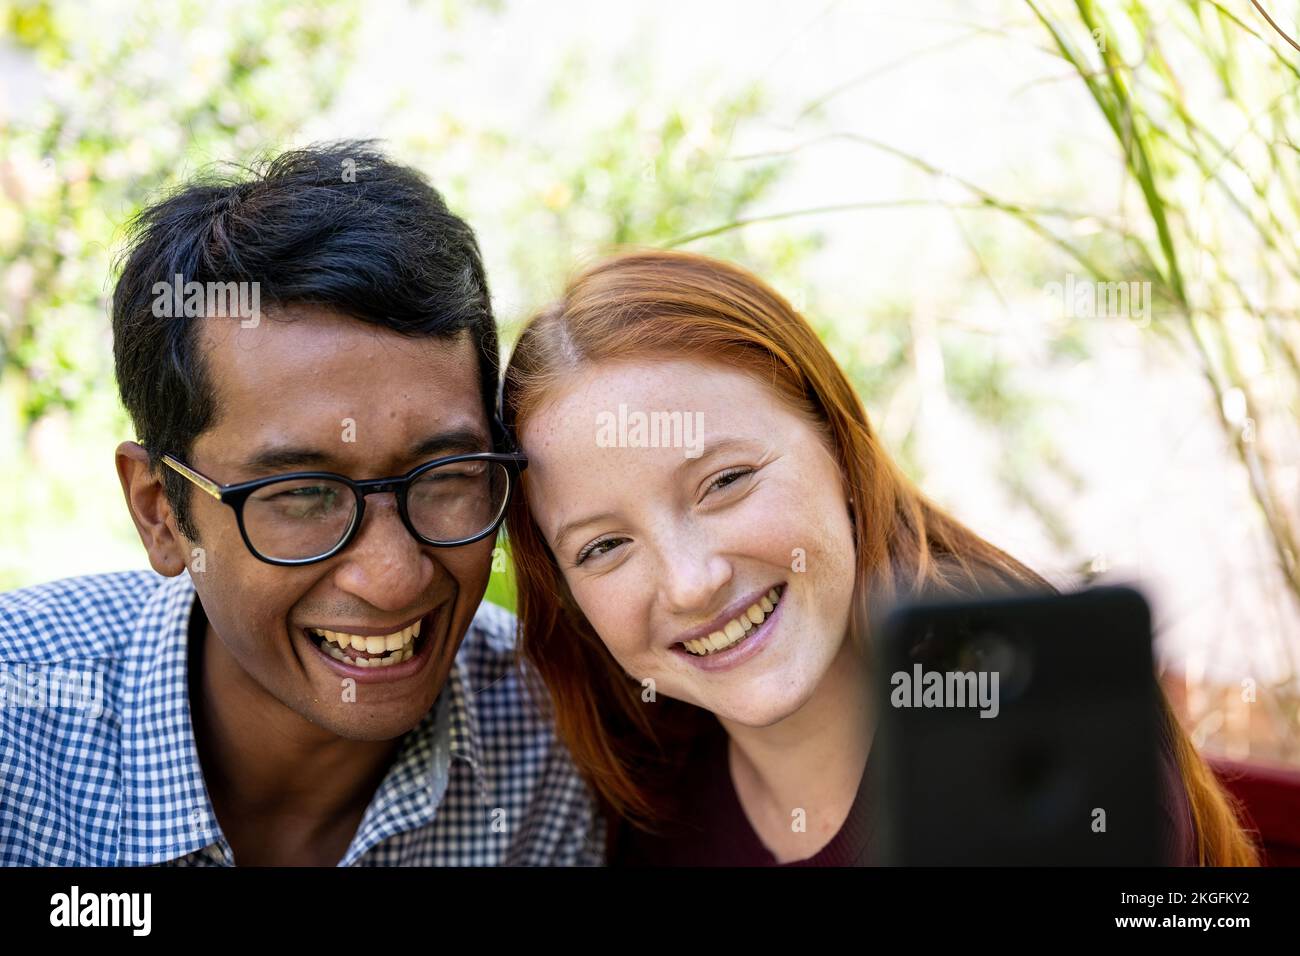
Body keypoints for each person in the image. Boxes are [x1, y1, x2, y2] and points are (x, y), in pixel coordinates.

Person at [500, 248, 1259, 866]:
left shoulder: (1031, 746)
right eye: (604, 547)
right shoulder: (630, 796)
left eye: (725, 482)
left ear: (839, 449)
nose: (692, 583)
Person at [0, 142, 602, 866]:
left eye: (445, 475)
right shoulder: (18, 728)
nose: (393, 578)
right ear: (161, 513)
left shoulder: (555, 742)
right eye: (303, 494)